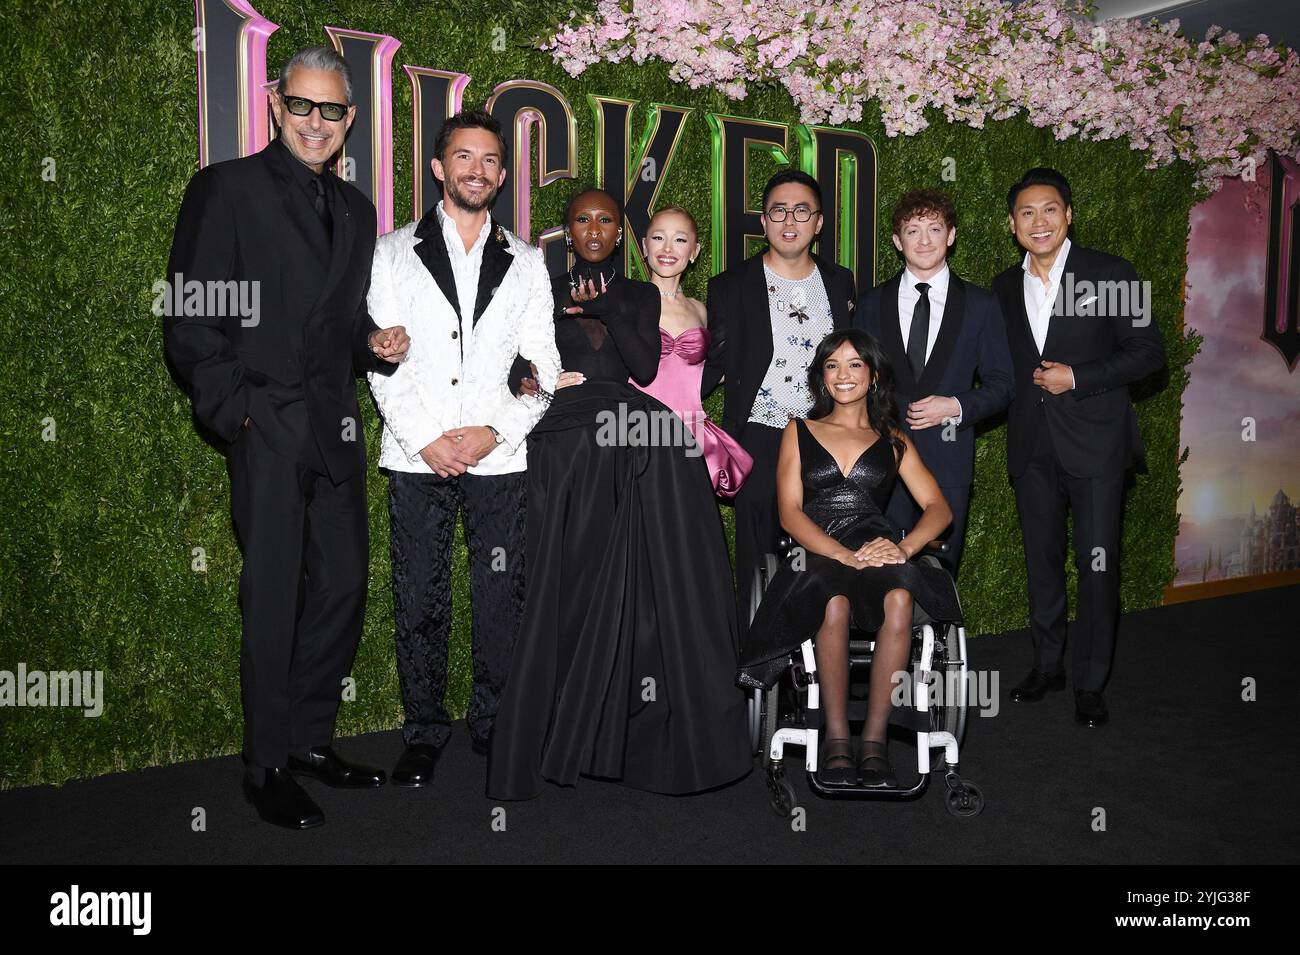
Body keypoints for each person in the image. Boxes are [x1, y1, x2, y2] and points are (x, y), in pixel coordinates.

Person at [163, 46, 410, 829]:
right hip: (266, 425)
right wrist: (236, 409)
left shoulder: (357, 209)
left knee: (341, 587)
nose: (315, 121)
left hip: (334, 425)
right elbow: (190, 312)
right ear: (275, 106)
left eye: (330, 110)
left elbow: (336, 315)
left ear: (348, 121)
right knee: (272, 597)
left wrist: (371, 341)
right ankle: (265, 763)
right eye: (301, 106)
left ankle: (309, 740)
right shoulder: (225, 189)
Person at [488, 188, 751, 799]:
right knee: (569, 580)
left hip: (626, 438)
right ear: (568, 230)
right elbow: (505, 362)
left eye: (606, 219)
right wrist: (534, 378)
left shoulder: (636, 295)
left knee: (633, 581)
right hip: (562, 441)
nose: (594, 229)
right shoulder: (541, 290)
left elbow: (644, 365)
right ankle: (557, 726)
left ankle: (630, 722)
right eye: (582, 219)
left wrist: (606, 309)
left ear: (618, 232)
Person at [364, 109, 559, 787]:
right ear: (439, 168)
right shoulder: (391, 252)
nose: (476, 170)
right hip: (417, 456)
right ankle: (423, 730)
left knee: (499, 592)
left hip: (499, 458)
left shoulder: (529, 262)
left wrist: (494, 429)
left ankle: (494, 723)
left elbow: (543, 368)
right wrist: (427, 440)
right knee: (419, 596)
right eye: (463, 158)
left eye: (489, 161)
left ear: (502, 174)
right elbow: (383, 359)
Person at [740, 330, 960, 788]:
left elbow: (939, 509)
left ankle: (875, 741)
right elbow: (789, 513)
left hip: (876, 545)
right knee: (833, 604)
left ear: (873, 375)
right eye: (833, 365)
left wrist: (903, 548)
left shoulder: (893, 438)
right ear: (821, 377)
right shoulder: (799, 431)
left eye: (855, 364)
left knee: (901, 597)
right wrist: (841, 554)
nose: (844, 375)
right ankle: (837, 739)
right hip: (817, 548)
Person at [991, 167, 1165, 727]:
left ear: (1068, 215)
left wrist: (1080, 377)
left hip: (1095, 447)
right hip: (1032, 447)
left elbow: (1149, 353)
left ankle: (1092, 682)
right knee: (1041, 564)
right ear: (1012, 224)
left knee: (1097, 567)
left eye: (1049, 210)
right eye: (1026, 212)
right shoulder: (1001, 287)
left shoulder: (1111, 273)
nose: (1038, 221)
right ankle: (1048, 665)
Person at [702, 169, 857, 635]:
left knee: (828, 550)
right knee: (758, 556)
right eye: (778, 210)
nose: (790, 220)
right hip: (758, 437)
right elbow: (711, 363)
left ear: (819, 222)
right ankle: (759, 669)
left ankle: (818, 662)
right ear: (764, 221)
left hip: (827, 438)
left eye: (801, 210)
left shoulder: (841, 282)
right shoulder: (730, 285)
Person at [855, 188, 1014, 572]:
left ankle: (936, 634)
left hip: (948, 461)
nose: (924, 240)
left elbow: (1003, 384)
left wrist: (956, 406)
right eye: (913, 230)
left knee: (938, 575)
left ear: (952, 235)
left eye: (934, 228)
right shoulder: (871, 303)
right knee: (880, 571)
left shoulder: (981, 305)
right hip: (881, 460)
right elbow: (852, 381)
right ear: (897, 241)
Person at [630, 205, 751, 497]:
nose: (668, 248)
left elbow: (707, 370)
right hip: (637, 432)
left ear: (694, 251)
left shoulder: (700, 310)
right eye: (658, 238)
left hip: (691, 433)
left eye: (680, 240)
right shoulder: (628, 303)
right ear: (645, 246)